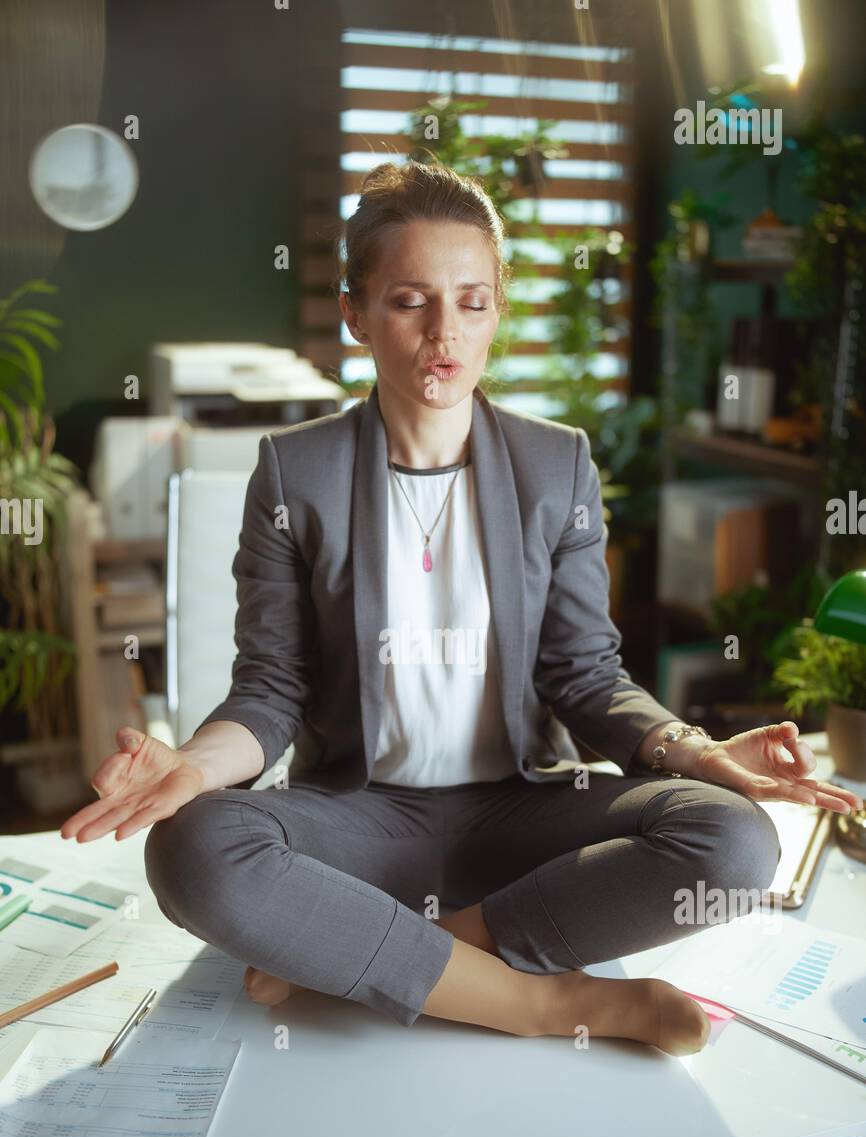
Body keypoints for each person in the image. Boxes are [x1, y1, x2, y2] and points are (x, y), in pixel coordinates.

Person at [60, 160, 861, 1057]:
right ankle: (548, 1004)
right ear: (357, 314)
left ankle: (372, 953)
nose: (445, 330)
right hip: (359, 824)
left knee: (737, 843)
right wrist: (195, 768)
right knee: (190, 849)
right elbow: (271, 689)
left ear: (496, 313)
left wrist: (699, 751)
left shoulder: (558, 466)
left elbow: (584, 674)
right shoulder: (297, 471)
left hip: (517, 818)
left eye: (472, 301)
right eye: (410, 300)